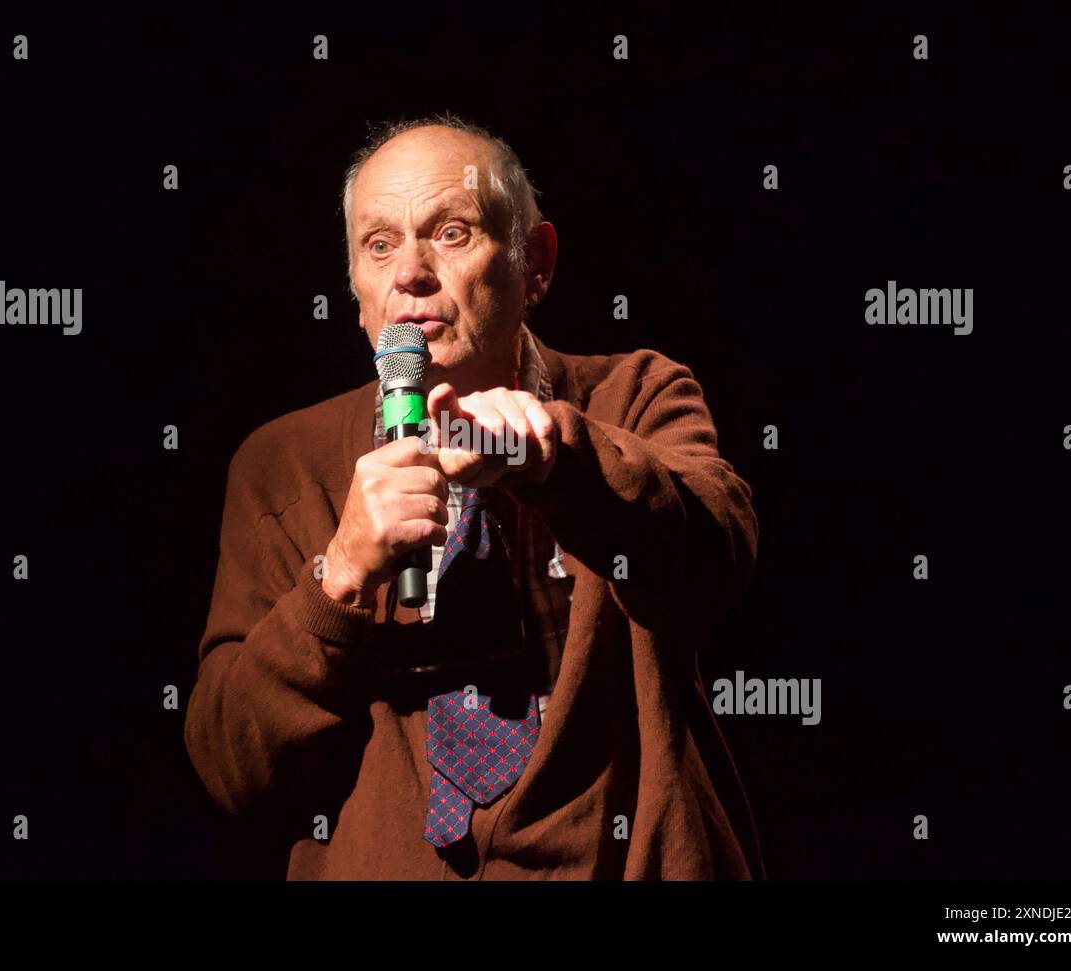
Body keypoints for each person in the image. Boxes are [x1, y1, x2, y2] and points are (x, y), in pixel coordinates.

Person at [183, 112, 764, 880]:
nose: (409, 273)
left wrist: (561, 462)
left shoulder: (635, 394)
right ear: (356, 295)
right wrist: (342, 576)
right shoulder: (282, 464)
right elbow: (233, 767)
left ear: (535, 264)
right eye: (379, 244)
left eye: (450, 233)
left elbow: (717, 557)